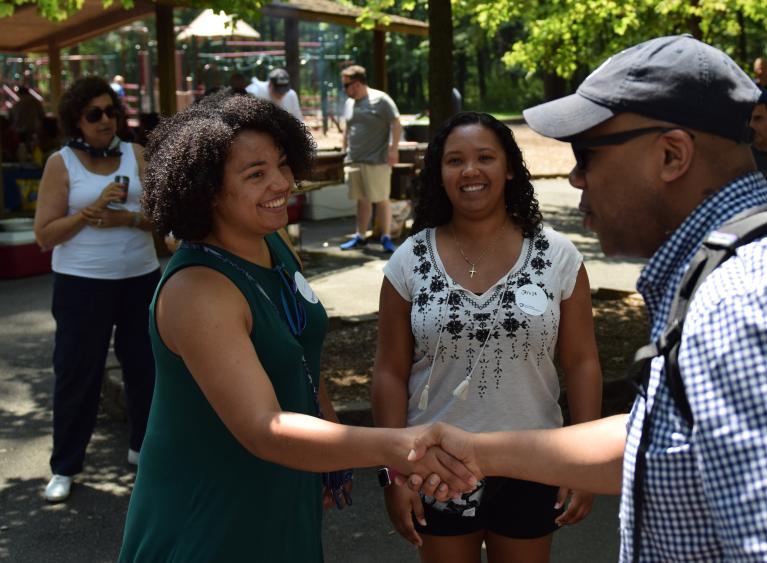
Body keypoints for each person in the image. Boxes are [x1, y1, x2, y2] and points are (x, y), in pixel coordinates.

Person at [407, 36, 767, 560]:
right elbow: (674, 437)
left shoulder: (755, 308)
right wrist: (480, 453)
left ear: (672, 156)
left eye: (587, 153)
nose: (576, 179)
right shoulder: (743, 278)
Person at [117, 92, 477, 561]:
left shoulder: (269, 244)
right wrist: (398, 448)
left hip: (284, 485)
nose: (281, 183)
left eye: (283, 164)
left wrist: (328, 452)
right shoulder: (198, 289)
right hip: (209, 514)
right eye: (256, 174)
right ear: (204, 188)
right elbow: (265, 428)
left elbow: (299, 351)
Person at [373, 111, 602, 560]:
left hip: (533, 459)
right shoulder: (409, 260)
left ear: (509, 167)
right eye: (454, 160)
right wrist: (394, 472)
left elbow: (581, 361)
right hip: (435, 462)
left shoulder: (557, 255)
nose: (470, 171)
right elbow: (388, 371)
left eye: (485, 158)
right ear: (439, 174)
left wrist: (586, 459)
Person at [33, 76, 159, 503]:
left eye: (111, 111)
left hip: (140, 278)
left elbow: (164, 219)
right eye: (95, 114)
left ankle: (141, 448)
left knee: (145, 366)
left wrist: (129, 219)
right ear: (76, 122)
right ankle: (65, 467)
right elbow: (45, 235)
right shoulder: (61, 162)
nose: (106, 120)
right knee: (76, 373)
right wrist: (92, 210)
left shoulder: (137, 154)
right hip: (81, 285)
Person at [338, 64, 402, 253]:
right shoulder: (350, 103)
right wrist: (344, 150)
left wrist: (393, 149)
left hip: (377, 160)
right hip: (355, 159)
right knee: (361, 199)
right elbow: (348, 128)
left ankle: (386, 237)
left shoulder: (381, 99)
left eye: (346, 85)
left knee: (382, 199)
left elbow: (396, 123)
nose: (344, 90)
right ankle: (360, 236)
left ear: (357, 84)